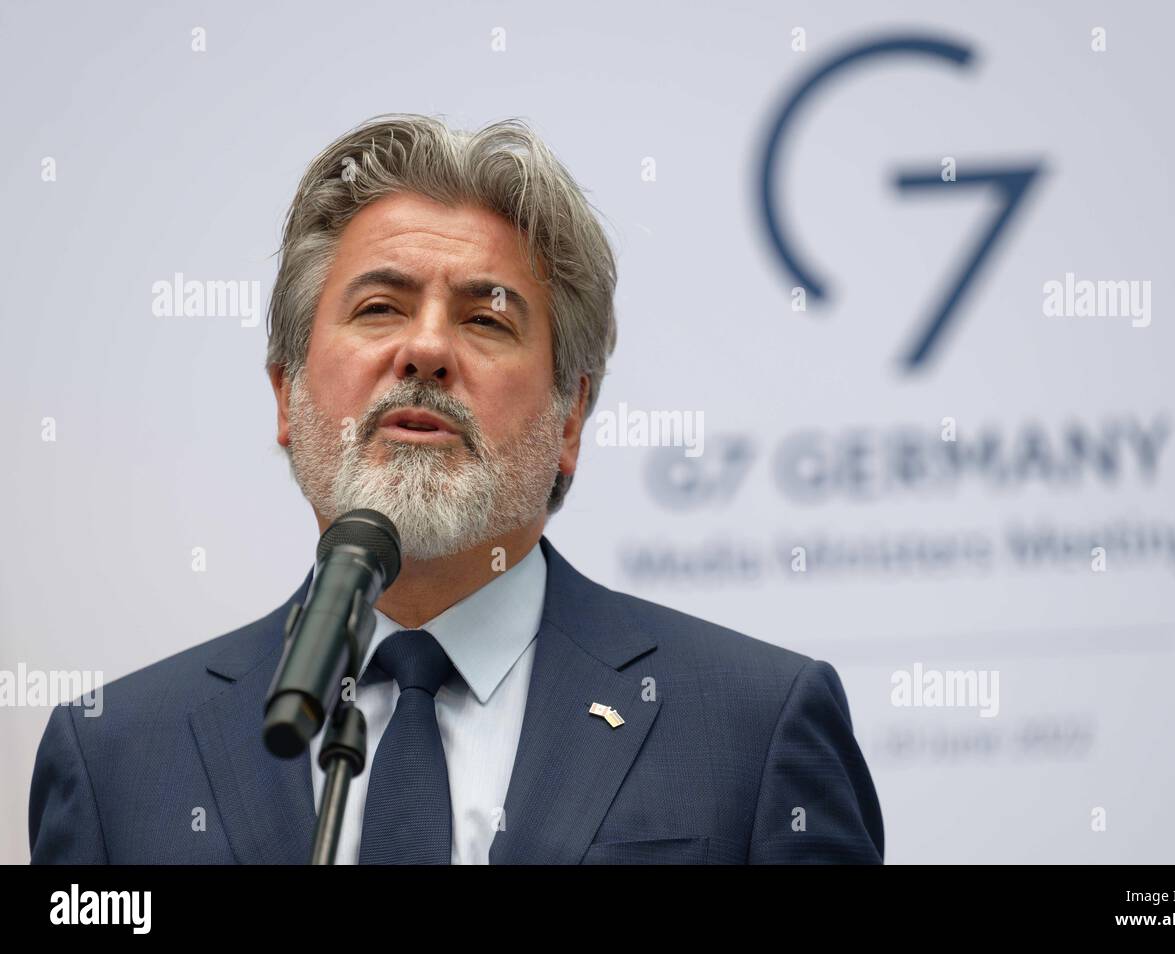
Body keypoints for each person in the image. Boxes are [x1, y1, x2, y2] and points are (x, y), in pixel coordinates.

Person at [28, 114, 884, 864]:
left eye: (486, 319)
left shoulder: (752, 727)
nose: (427, 349)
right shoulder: (116, 756)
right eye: (378, 309)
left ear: (571, 416)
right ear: (287, 392)